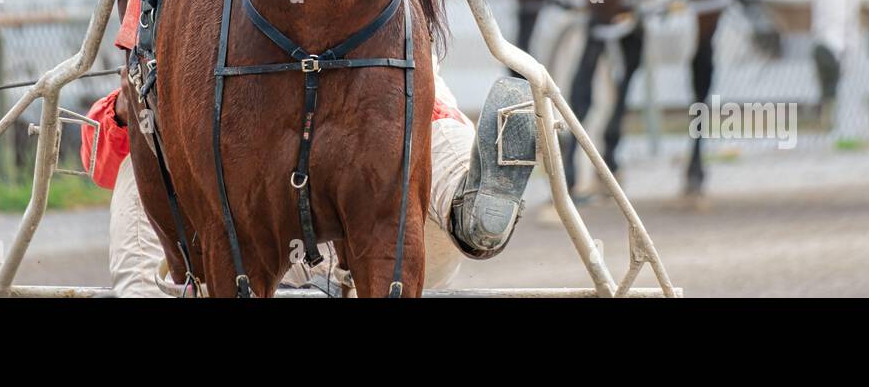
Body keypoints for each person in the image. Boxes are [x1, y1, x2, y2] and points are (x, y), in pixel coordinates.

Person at [81, 63, 536, 296]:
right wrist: (130, 113)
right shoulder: (179, 70)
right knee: (143, 160)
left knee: (422, 126)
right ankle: (469, 205)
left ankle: (472, 206)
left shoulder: (385, 44)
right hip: (254, 246)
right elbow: (98, 161)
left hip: (378, 236)